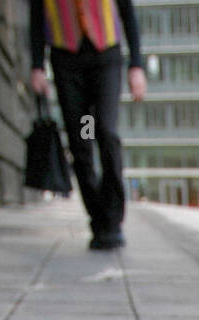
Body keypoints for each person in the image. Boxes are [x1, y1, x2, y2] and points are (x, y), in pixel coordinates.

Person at [29, 0, 146, 250]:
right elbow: (37, 18)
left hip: (105, 59)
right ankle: (98, 218)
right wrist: (37, 65)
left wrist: (136, 65)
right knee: (82, 140)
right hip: (68, 64)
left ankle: (113, 221)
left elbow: (127, 13)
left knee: (106, 131)